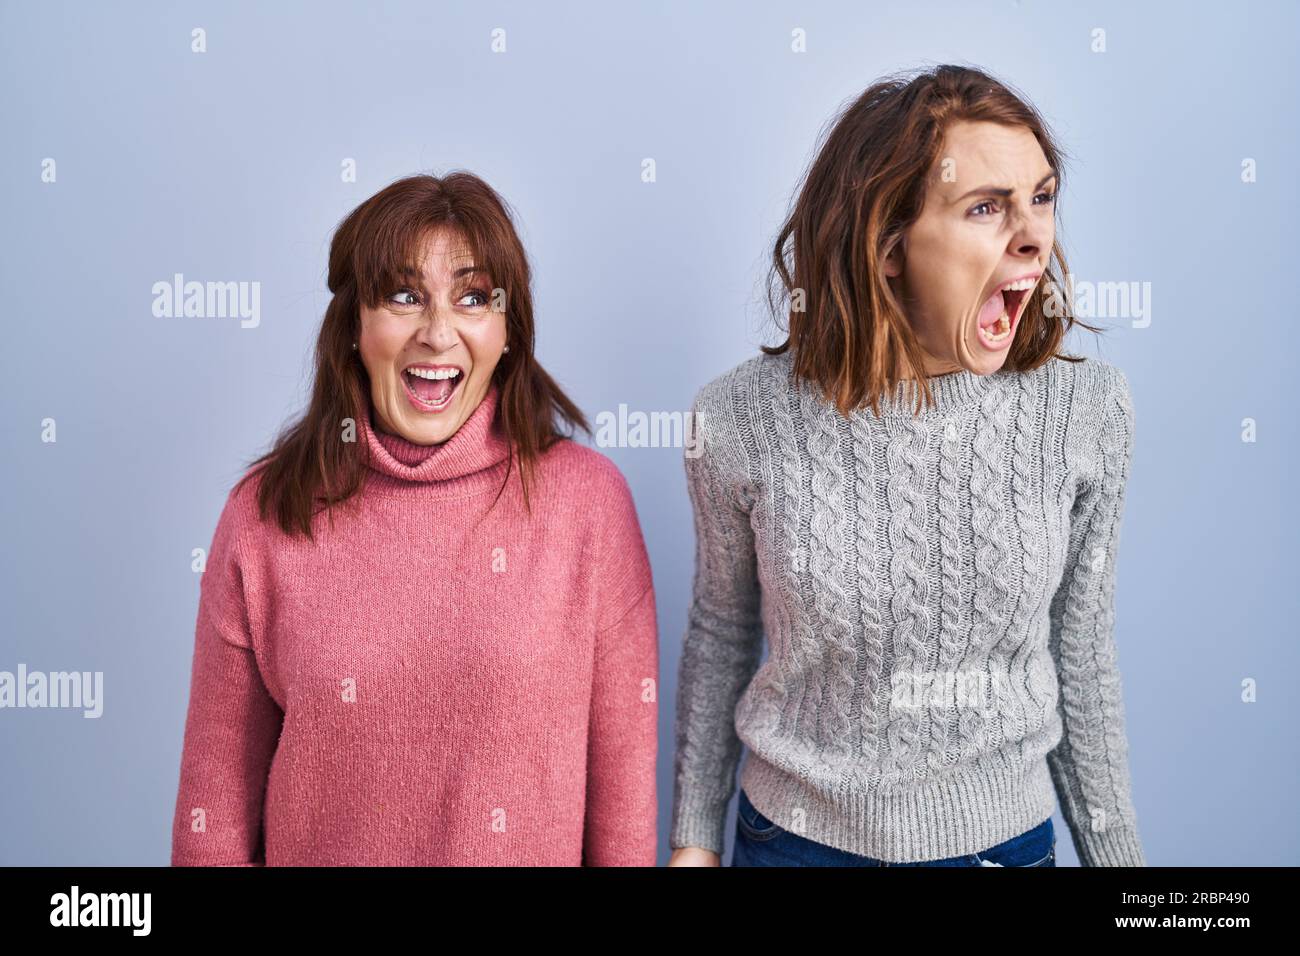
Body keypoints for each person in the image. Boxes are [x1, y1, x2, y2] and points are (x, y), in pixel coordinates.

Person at [669, 65, 1145, 867]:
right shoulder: (737, 420)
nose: (1033, 234)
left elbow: (1082, 655)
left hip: (1003, 847)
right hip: (793, 843)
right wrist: (692, 839)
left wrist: (1124, 870)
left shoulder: (1088, 413)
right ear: (888, 246)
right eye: (987, 207)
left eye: (1041, 196)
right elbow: (723, 630)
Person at [171, 172, 658, 866]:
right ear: (354, 329)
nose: (438, 332)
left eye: (472, 297)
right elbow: (212, 813)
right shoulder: (264, 514)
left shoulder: (589, 506)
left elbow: (624, 819)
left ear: (508, 332)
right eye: (404, 296)